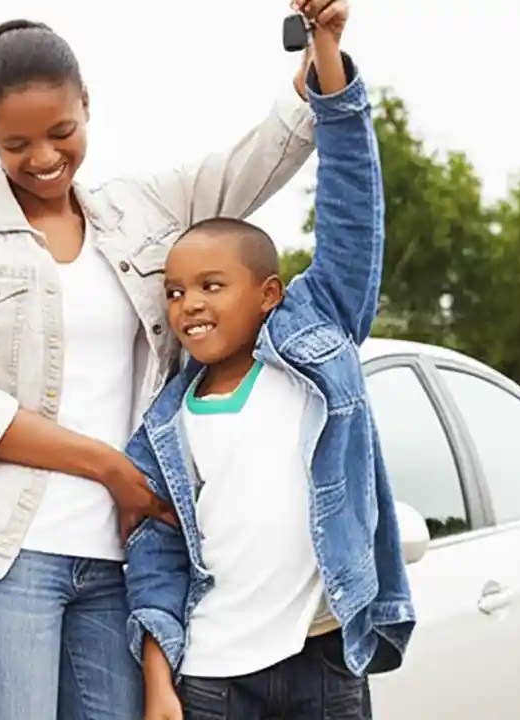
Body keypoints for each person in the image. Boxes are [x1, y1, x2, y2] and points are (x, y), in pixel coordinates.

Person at [0, 12, 320, 720]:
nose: (42, 158)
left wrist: (325, 50)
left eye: (61, 133)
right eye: (15, 143)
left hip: (121, 562)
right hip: (1, 556)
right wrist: (109, 469)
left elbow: (264, 156)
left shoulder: (141, 212)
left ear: (86, 103)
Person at [122, 3, 417, 719]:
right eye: (175, 291)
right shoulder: (167, 423)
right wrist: (160, 682)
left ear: (269, 295)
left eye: (211, 286)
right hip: (215, 681)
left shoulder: (318, 334)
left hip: (324, 666)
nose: (188, 304)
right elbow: (156, 554)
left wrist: (327, 55)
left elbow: (351, 212)